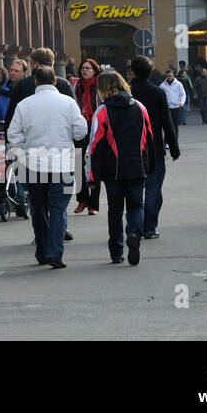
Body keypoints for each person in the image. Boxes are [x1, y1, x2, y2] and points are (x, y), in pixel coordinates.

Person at [7, 66, 86, 269]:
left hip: (33, 164)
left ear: (36, 82)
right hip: (64, 163)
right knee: (58, 209)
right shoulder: (68, 103)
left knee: (38, 208)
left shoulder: (24, 105)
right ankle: (55, 252)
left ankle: (42, 251)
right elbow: (80, 131)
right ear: (54, 82)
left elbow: (13, 134)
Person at [88, 71, 154, 266]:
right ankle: (133, 233)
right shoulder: (140, 108)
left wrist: (92, 177)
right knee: (136, 206)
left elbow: (94, 147)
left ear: (103, 89)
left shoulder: (102, 112)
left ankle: (116, 251)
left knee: (115, 211)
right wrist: (150, 167)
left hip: (112, 171)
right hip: (137, 167)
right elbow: (149, 139)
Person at [129, 56, 179, 240]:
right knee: (153, 189)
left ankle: (134, 226)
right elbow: (167, 122)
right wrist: (174, 149)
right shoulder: (158, 93)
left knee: (134, 190)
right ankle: (150, 227)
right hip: (154, 147)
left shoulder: (126, 92)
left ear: (132, 72)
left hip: (131, 150)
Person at [5, 48, 74, 131]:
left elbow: (12, 116)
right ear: (52, 63)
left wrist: (11, 141)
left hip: (30, 137)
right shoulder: (64, 84)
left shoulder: (23, 84)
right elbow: (75, 118)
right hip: (61, 136)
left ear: (35, 65)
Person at [72, 57, 102, 216]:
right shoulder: (77, 86)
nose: (85, 70)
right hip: (80, 127)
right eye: (83, 68)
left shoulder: (99, 85)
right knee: (77, 163)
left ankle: (93, 203)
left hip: (96, 127)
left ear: (95, 70)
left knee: (94, 166)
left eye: (88, 68)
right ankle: (82, 199)